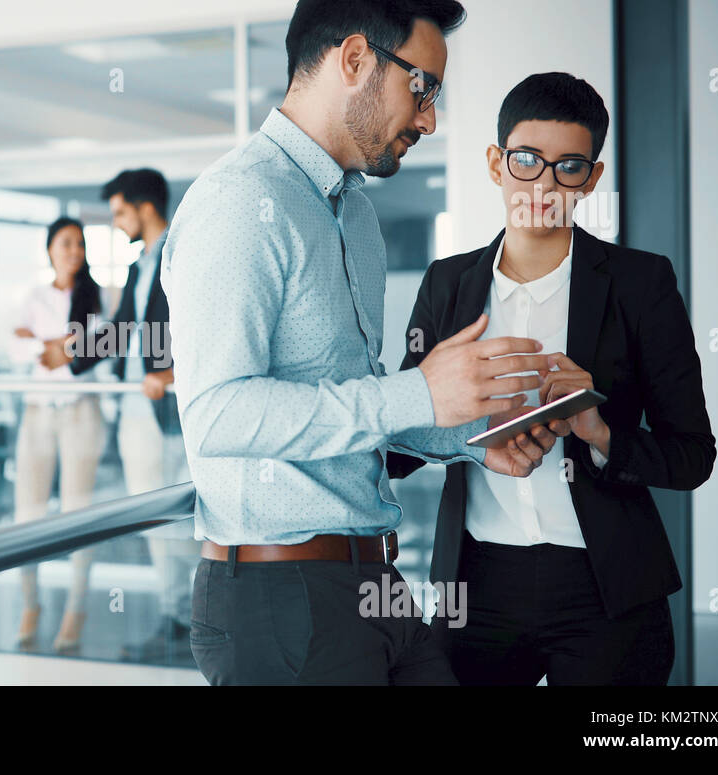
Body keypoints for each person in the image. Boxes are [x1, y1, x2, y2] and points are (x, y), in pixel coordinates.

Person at [163, 0, 572, 685]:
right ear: (354, 60)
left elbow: (356, 407)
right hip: (282, 597)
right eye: (423, 87)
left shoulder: (352, 209)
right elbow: (216, 415)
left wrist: (470, 434)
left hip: (372, 579)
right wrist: (420, 390)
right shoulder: (240, 201)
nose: (429, 118)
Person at [388, 72, 716, 685]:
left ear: (591, 178)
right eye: (526, 161)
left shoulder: (642, 283)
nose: (543, 185)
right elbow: (403, 447)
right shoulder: (446, 284)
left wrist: (599, 432)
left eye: (568, 167)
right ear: (495, 162)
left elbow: (693, 455)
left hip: (609, 589)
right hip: (475, 588)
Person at [42, 168, 198, 664]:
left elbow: (207, 325)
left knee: (180, 522)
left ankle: (197, 623)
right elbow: (123, 330)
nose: (116, 223)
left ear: (144, 208)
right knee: (154, 521)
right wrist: (71, 356)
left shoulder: (185, 251)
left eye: (119, 212)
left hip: (168, 409)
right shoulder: (139, 263)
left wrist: (173, 373)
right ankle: (178, 618)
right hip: (137, 409)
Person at [8, 217, 106, 653]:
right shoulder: (32, 295)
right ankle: (31, 605)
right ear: (49, 248)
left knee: (76, 514)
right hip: (37, 414)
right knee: (27, 513)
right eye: (65, 243)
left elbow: (101, 348)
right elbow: (14, 347)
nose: (73, 251)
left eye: (79, 244)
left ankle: (75, 611)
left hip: (81, 413)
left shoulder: (96, 296)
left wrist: (50, 346)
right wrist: (56, 346)